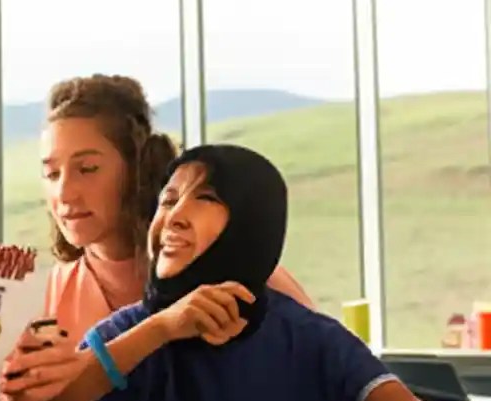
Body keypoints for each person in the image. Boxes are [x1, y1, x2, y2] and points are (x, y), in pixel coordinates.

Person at [2, 144, 456, 401]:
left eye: (206, 198)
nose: (174, 217)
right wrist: (162, 327)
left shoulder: (311, 339)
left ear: (251, 224)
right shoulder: (133, 332)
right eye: (168, 200)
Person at [33, 75, 312, 353]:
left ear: (138, 169)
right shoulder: (46, 303)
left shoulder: (240, 272)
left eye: (87, 169)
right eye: (52, 174)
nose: (65, 193)